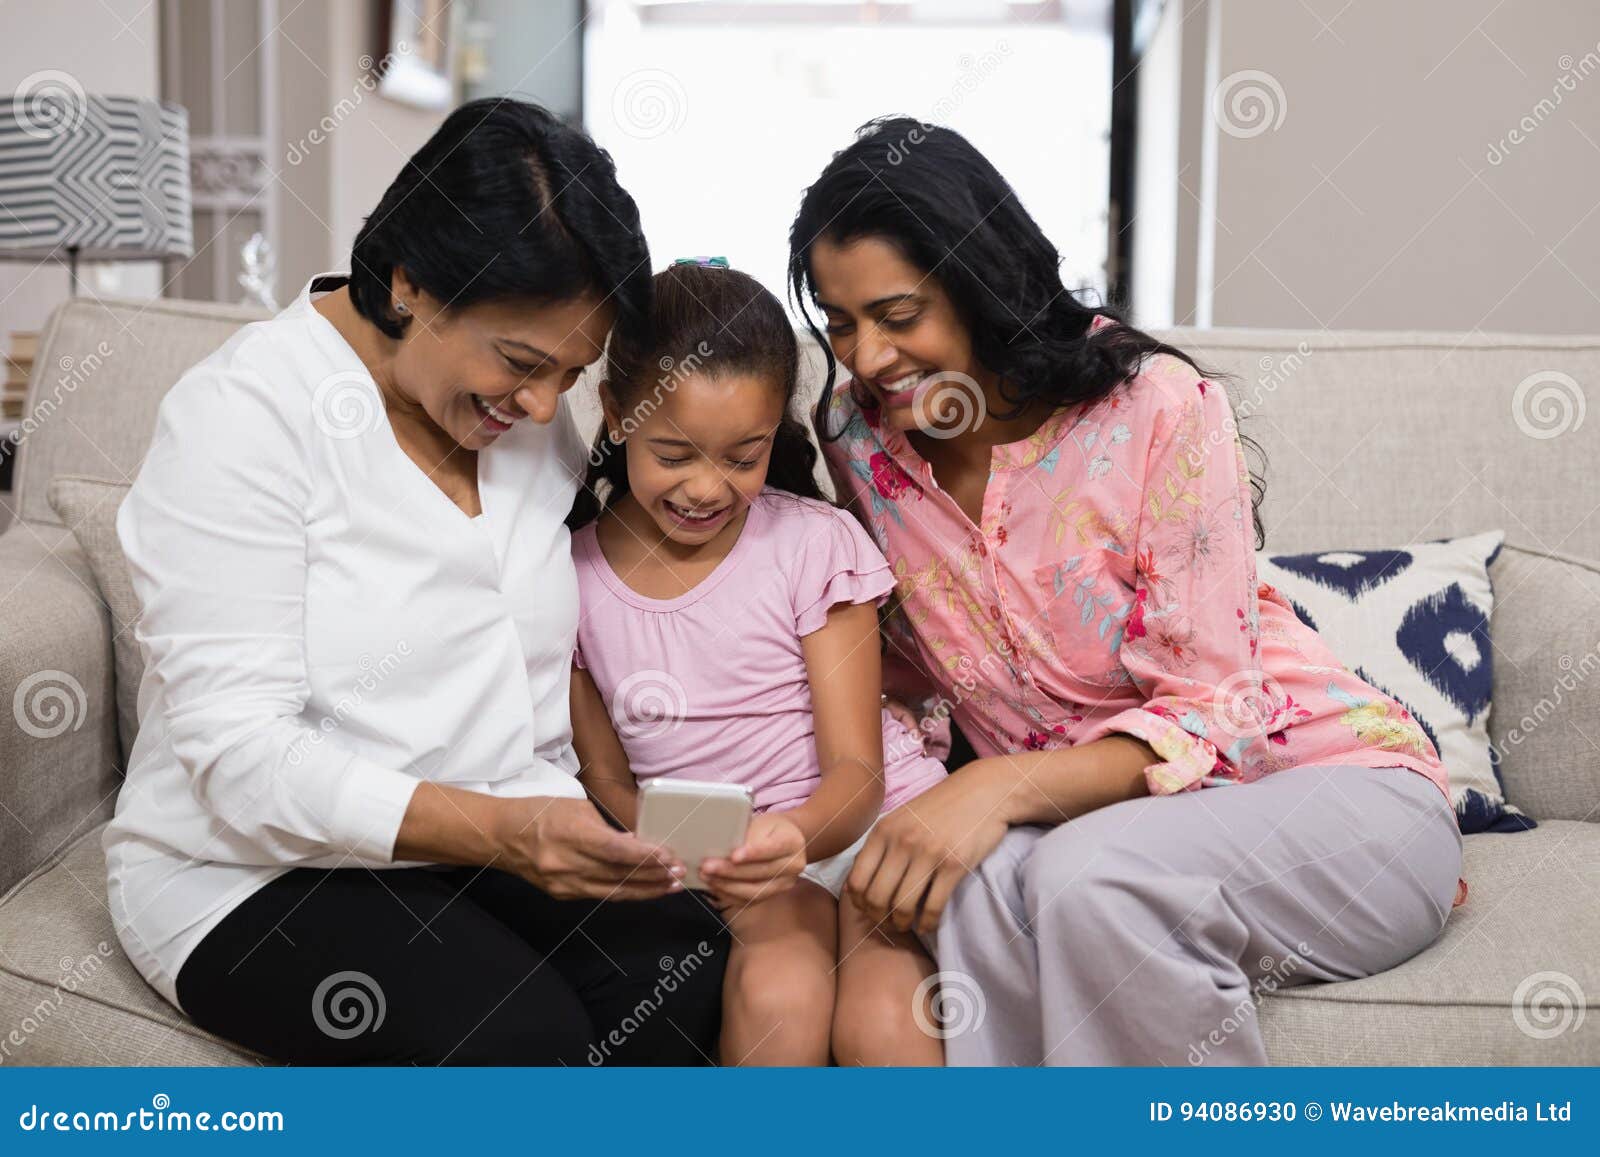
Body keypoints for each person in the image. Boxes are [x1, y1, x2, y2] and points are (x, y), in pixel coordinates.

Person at [788, 117, 1468, 1066]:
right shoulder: (862, 440)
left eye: (899, 316)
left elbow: (1216, 709)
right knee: (977, 884)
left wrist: (996, 784)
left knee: (1090, 876)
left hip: (1334, 792)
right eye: (840, 320)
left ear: (982, 284)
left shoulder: (1151, 406)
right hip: (1101, 823)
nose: (865, 356)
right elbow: (889, 647)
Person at [104, 99, 726, 1066]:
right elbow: (240, 757)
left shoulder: (523, 425)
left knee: (686, 962)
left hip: (503, 819)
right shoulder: (244, 418)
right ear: (410, 283)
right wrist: (505, 832)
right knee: (521, 1044)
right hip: (255, 864)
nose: (537, 405)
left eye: (569, 372)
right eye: (520, 363)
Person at [568, 259, 947, 1065]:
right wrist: (690, 845)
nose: (707, 487)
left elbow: (857, 771)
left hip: (874, 827)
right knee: (782, 988)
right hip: (738, 863)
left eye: (743, 457)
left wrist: (794, 835)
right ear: (615, 414)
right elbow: (605, 778)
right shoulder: (566, 580)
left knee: (884, 1021)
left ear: (775, 430)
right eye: (674, 454)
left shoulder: (812, 543)